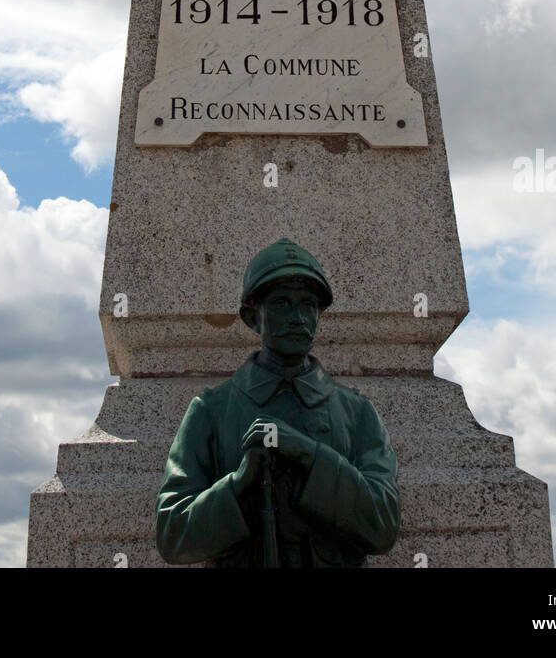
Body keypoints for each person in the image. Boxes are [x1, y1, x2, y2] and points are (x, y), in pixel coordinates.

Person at [155, 238, 400, 567]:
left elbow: (383, 527)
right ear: (252, 316)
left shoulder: (356, 411)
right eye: (283, 303)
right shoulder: (210, 409)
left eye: (308, 305)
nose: (298, 317)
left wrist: (310, 455)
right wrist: (239, 483)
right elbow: (173, 536)